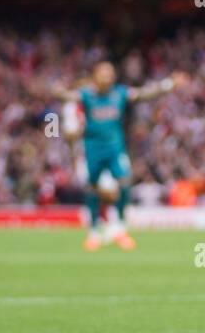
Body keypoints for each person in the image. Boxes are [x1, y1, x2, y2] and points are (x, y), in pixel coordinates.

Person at [45, 61, 189, 250]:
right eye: (103, 73)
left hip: (115, 149)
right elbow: (66, 96)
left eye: (110, 73)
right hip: (92, 149)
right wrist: (53, 88)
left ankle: (120, 227)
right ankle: (94, 231)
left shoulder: (119, 93)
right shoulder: (87, 95)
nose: (107, 77)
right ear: (95, 76)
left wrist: (169, 84)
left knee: (124, 181)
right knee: (92, 188)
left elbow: (144, 94)